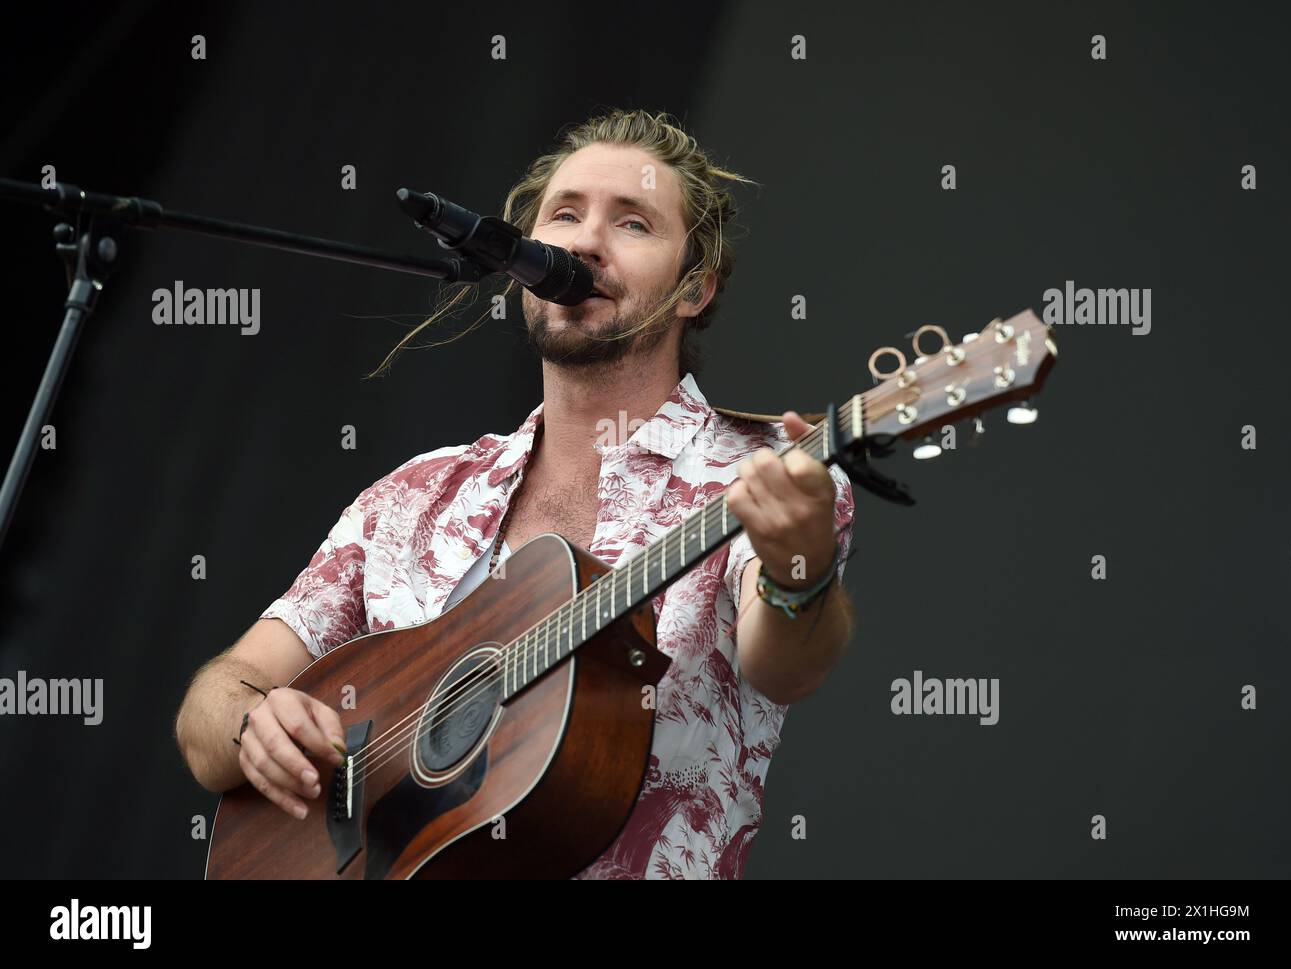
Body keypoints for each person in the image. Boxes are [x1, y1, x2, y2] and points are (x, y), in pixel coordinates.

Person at [175, 108, 855, 879]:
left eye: (632, 223)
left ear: (694, 287)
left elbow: (787, 667)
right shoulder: (414, 494)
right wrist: (252, 723)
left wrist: (802, 569)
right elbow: (215, 703)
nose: (584, 241)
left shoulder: (759, 475)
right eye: (564, 214)